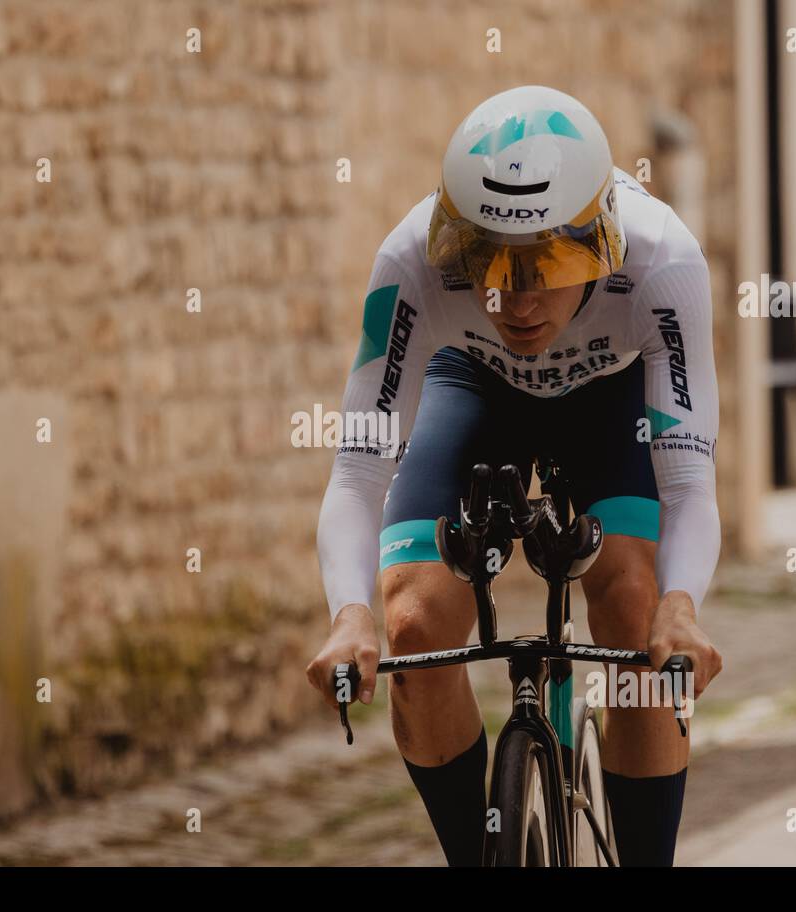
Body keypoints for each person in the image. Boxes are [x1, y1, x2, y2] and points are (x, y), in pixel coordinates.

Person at [305, 85, 723, 867]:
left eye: (547, 265)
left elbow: (691, 485)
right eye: (490, 263)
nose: (518, 297)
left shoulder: (664, 259)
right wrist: (349, 613)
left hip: (610, 394)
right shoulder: (410, 261)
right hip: (473, 385)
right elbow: (359, 470)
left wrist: (682, 605)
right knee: (413, 628)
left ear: (600, 239)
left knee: (636, 612)